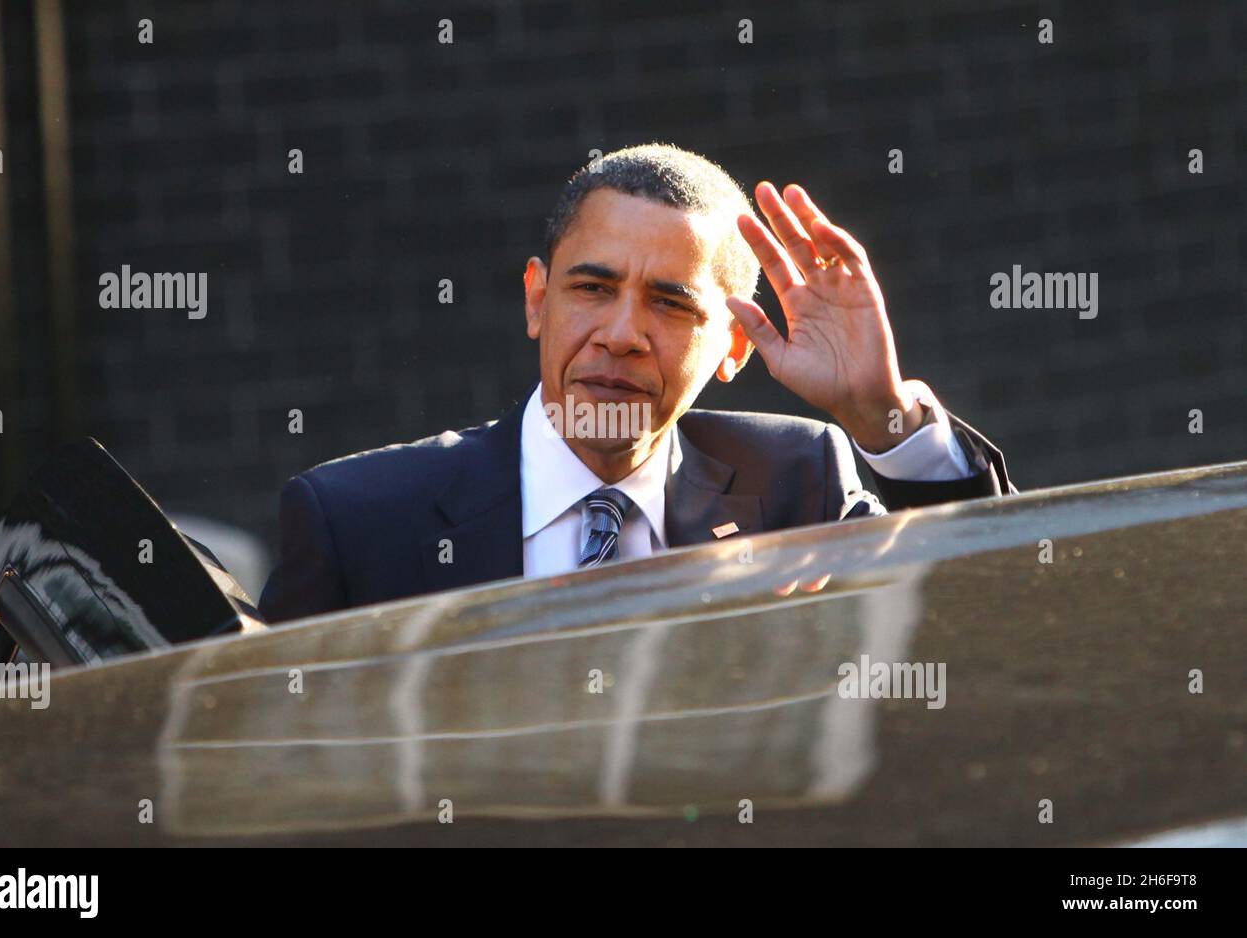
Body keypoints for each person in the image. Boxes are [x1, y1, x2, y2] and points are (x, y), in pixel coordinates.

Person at [259, 144, 1011, 623]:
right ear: (535, 299)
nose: (621, 333)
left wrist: (881, 417)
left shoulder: (799, 485)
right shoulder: (357, 523)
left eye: (671, 302)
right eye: (592, 289)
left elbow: (989, 628)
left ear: (735, 348)